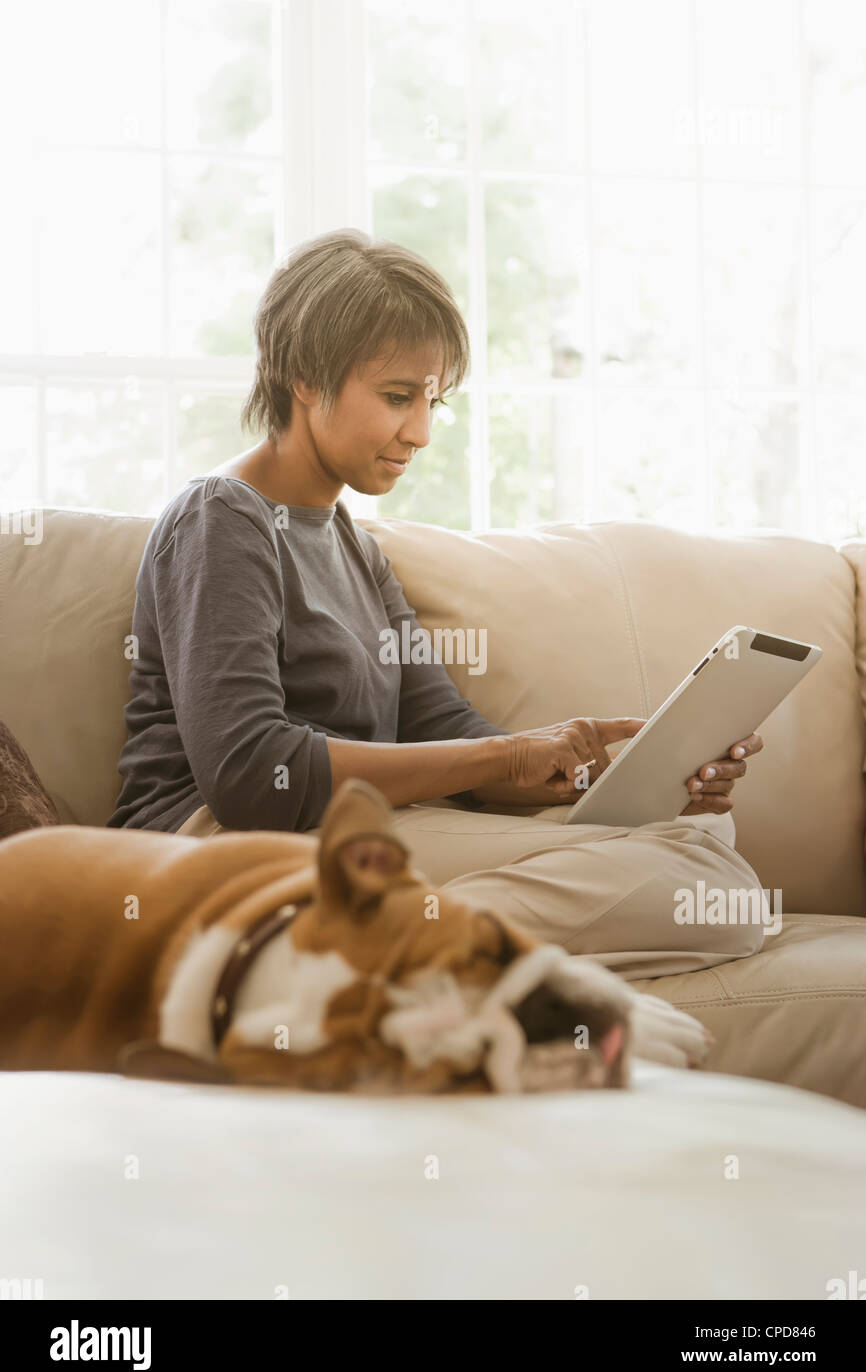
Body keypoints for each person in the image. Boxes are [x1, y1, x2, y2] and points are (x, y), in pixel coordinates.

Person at [108, 229, 766, 982]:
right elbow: (253, 774)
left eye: (432, 399)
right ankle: (356, 947)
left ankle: (373, 951)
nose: (420, 432)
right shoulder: (221, 520)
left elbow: (442, 732)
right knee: (708, 888)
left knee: (707, 839)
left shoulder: (356, 550)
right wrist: (504, 755)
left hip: (355, 836)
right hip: (220, 847)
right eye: (397, 397)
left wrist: (605, 774)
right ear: (303, 377)